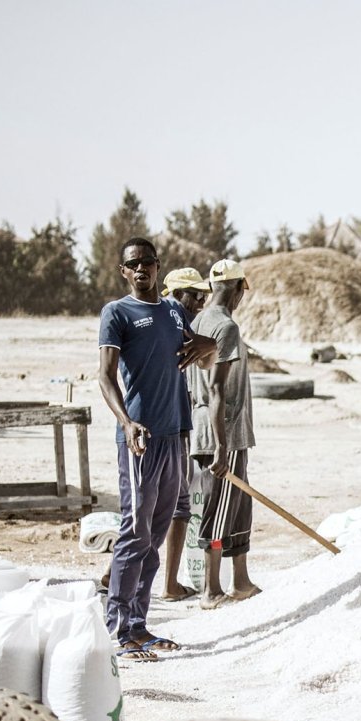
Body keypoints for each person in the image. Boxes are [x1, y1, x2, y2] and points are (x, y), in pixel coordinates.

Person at [98, 239, 215, 661]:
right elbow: (105, 376)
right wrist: (126, 422)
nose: (141, 268)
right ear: (124, 271)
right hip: (141, 438)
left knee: (157, 534)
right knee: (135, 531)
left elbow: (203, 353)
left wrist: (209, 348)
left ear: (158, 267)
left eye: (148, 261)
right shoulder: (117, 313)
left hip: (175, 436)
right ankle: (118, 628)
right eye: (134, 264)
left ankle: (139, 624)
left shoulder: (171, 311)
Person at [190, 258, 259, 610]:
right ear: (236, 289)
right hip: (223, 433)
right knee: (219, 510)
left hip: (215, 429)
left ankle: (241, 580)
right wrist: (220, 445)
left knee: (238, 506)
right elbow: (217, 389)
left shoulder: (197, 321)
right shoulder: (225, 328)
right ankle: (211, 589)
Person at [159, 268, 211, 600]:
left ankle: (114, 575)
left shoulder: (162, 320)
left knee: (149, 503)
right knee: (177, 506)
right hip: (170, 426)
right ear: (178, 294)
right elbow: (209, 360)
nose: (200, 303)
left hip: (161, 423)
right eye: (195, 295)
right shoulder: (174, 318)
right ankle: (169, 586)